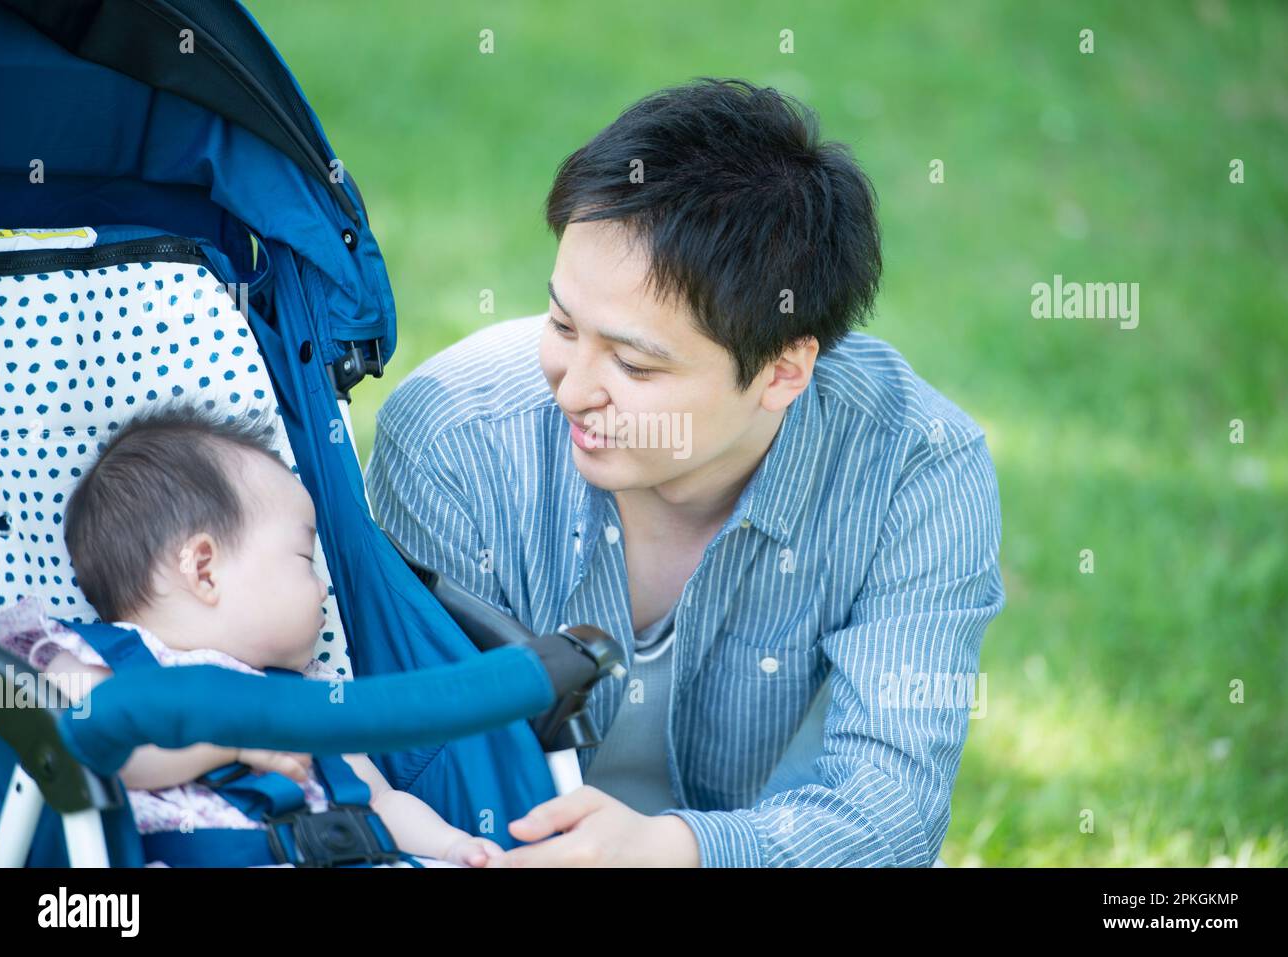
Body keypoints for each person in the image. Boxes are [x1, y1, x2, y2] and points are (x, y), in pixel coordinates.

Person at [365, 77, 1004, 866]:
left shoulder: (917, 469)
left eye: (633, 363)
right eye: (562, 322)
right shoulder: (451, 441)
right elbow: (423, 767)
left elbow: (890, 809)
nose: (573, 384)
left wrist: (674, 849)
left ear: (782, 371)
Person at [0, 400, 501, 868]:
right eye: (305, 559)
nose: (324, 588)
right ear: (205, 570)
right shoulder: (95, 663)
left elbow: (378, 801)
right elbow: (98, 751)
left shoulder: (307, 692)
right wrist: (229, 742)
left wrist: (451, 846)